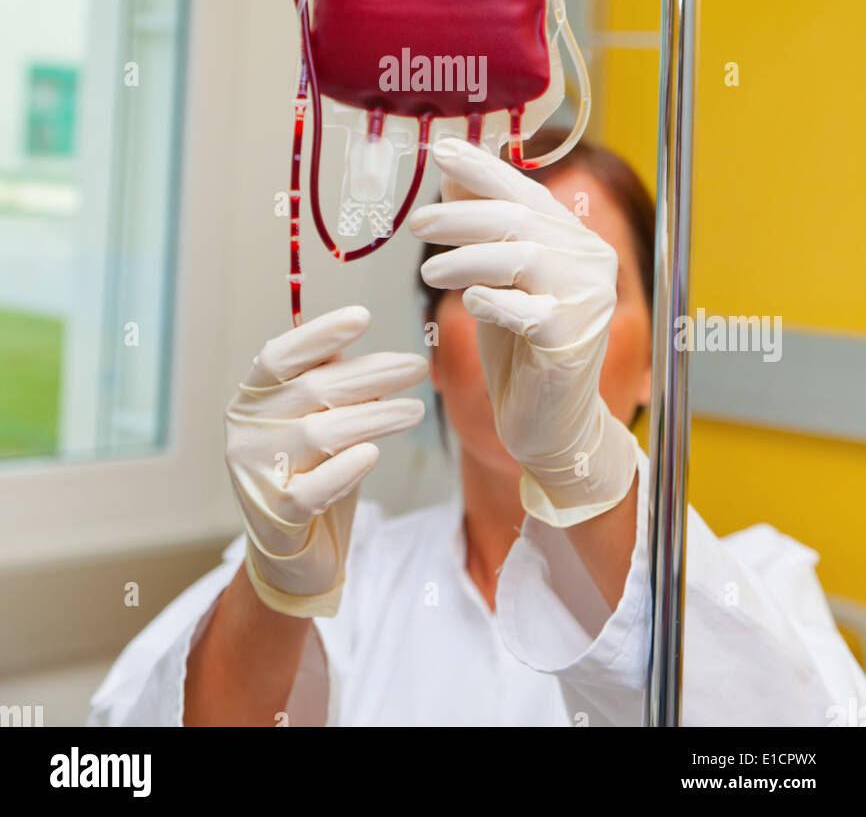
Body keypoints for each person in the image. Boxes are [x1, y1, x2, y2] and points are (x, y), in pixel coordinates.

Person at [88, 132, 866, 727]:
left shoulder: (758, 581)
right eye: (486, 281)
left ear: (654, 367)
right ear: (430, 347)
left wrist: (587, 473)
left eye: (579, 290)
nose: (523, 323)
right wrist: (277, 591)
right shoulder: (336, 574)